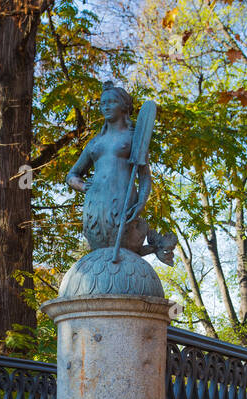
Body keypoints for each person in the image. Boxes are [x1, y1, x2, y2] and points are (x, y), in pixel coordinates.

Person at [66, 82, 175, 263]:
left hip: (123, 203)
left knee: (124, 249)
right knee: (101, 251)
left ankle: (153, 248)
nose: (106, 106)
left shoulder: (134, 138)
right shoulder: (94, 143)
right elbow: (72, 175)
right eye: (102, 103)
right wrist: (84, 186)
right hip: (95, 205)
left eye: (111, 102)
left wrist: (141, 202)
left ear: (124, 107)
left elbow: (145, 176)